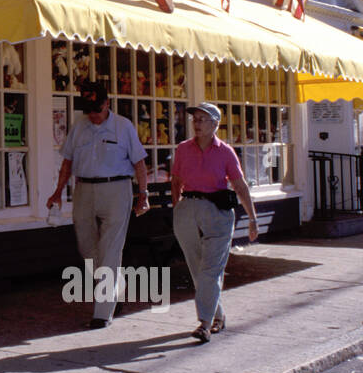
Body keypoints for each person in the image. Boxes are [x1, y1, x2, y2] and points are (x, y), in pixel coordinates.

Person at [45, 81, 150, 328]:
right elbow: (67, 163)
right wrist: (58, 192)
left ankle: (102, 313)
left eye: (97, 108)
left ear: (107, 103)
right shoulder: (79, 127)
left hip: (116, 189)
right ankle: (116, 287)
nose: (93, 114)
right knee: (86, 247)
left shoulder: (123, 127)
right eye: (88, 109)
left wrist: (143, 194)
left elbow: (139, 163)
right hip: (84, 189)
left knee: (111, 249)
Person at [170, 102, 259, 343]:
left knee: (211, 268)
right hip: (188, 209)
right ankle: (217, 315)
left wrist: (252, 218)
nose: (196, 124)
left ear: (215, 124)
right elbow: (176, 181)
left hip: (217, 212)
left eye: (202, 119)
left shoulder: (225, 152)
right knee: (197, 266)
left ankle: (205, 323)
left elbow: (240, 185)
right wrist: (178, 207)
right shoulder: (183, 149)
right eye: (194, 119)